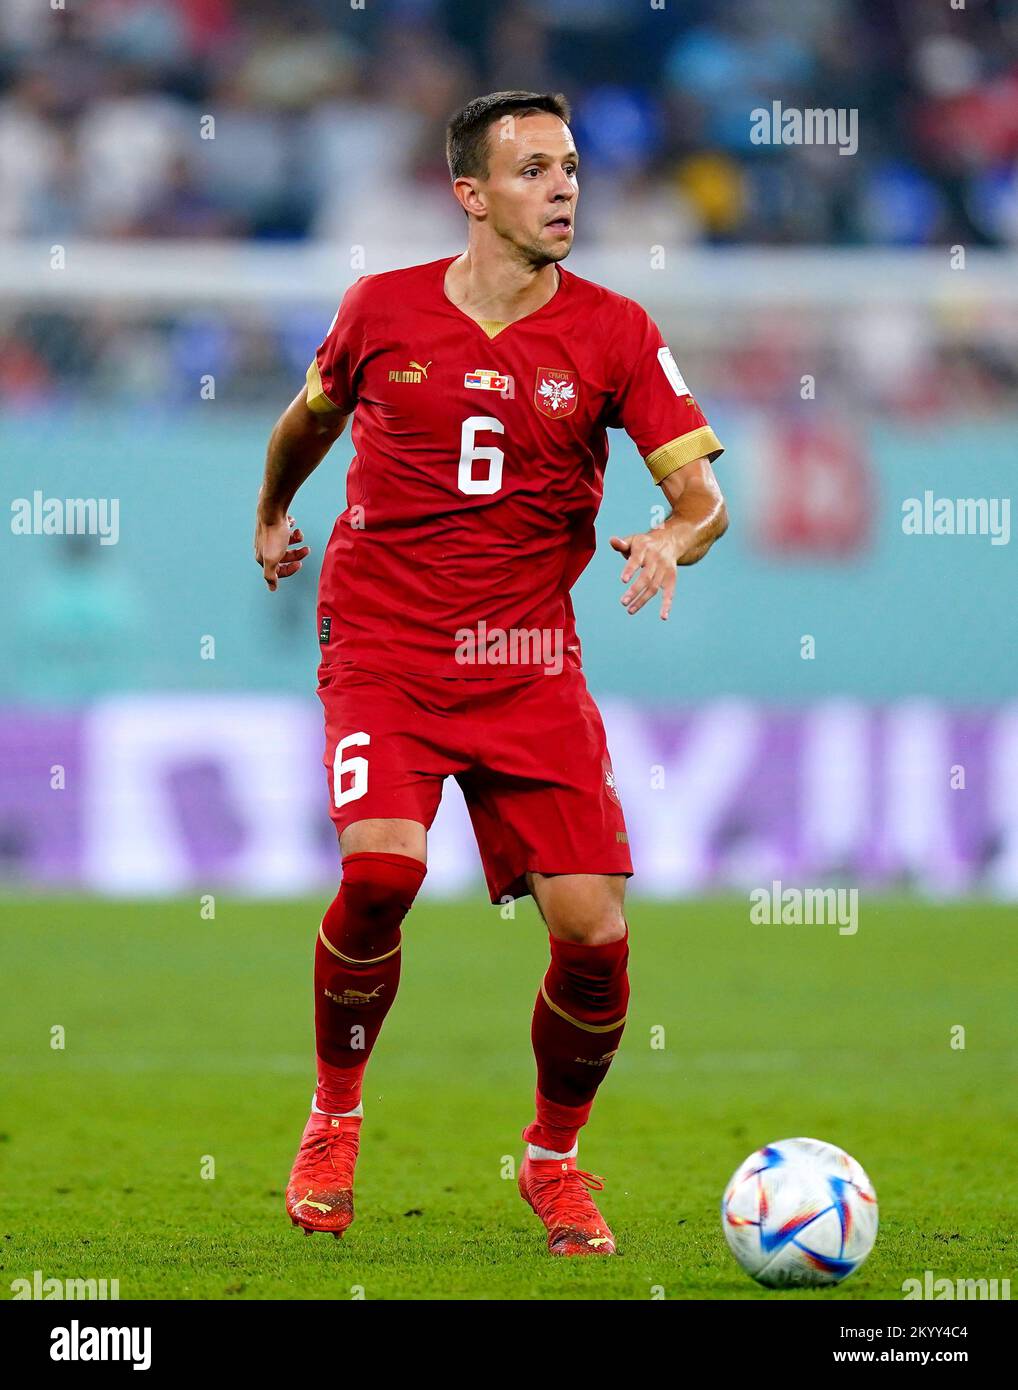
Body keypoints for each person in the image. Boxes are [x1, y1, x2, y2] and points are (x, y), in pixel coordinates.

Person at [253, 90, 727, 1256]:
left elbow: (703, 494)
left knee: (594, 935)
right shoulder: (383, 308)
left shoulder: (614, 331)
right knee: (381, 874)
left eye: (569, 166)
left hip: (524, 662)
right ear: (471, 193)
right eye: (532, 170)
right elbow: (307, 421)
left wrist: (673, 536)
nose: (564, 187)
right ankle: (333, 1115)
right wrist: (271, 512)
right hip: (384, 647)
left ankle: (554, 1162)